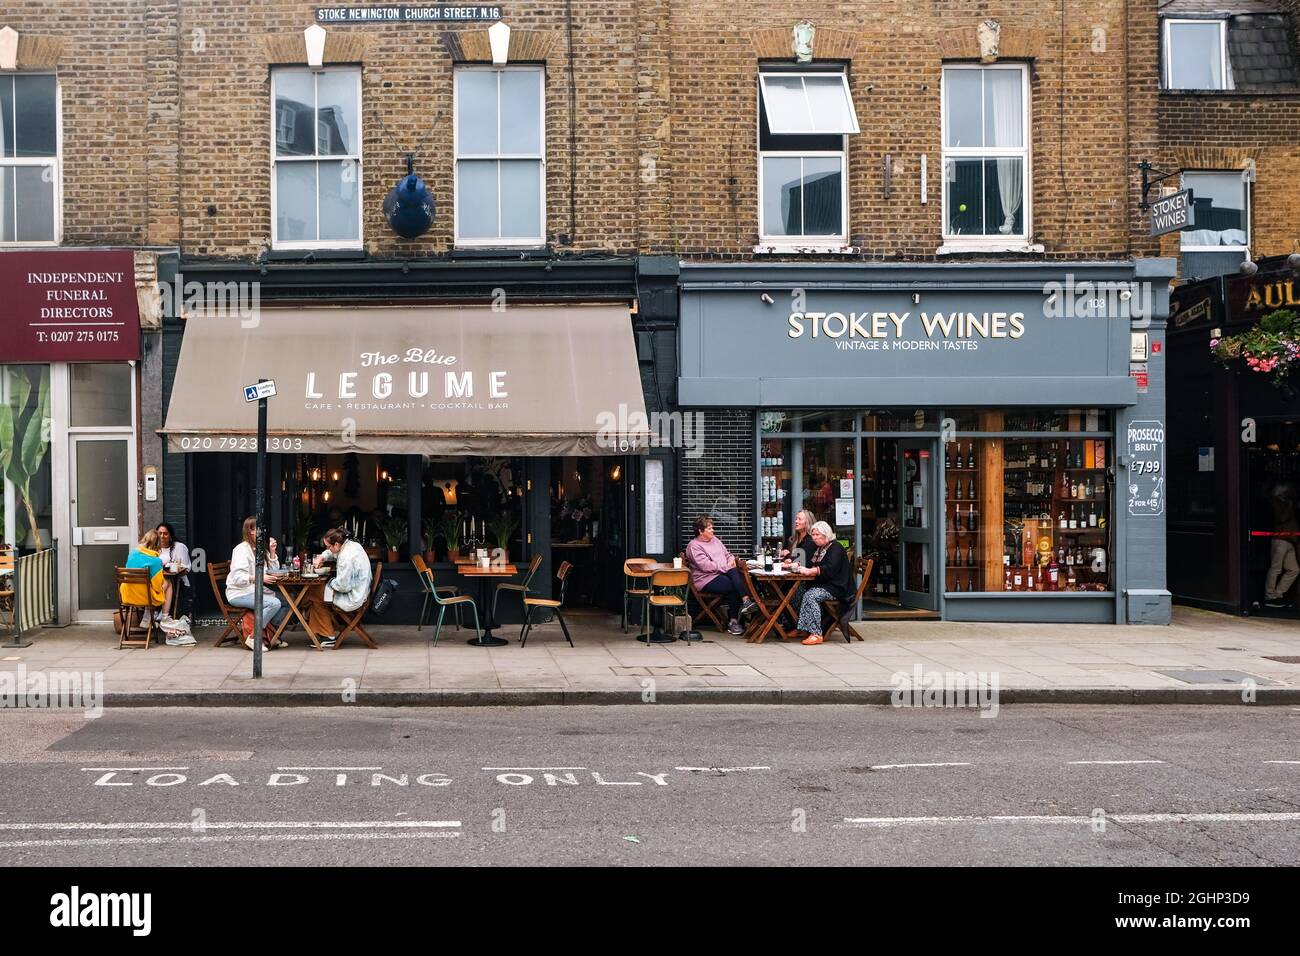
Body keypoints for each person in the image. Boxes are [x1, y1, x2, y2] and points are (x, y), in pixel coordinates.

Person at [298, 527, 373, 647]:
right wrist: (322, 557)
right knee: (314, 594)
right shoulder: (351, 545)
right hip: (361, 591)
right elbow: (332, 553)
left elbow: (343, 586)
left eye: (328, 546)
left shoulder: (346, 557)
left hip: (353, 596)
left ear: (337, 543)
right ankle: (320, 629)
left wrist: (329, 581)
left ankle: (303, 613)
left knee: (312, 593)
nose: (328, 549)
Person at [225, 516, 290, 650]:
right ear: (250, 531)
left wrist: (272, 552)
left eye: (262, 529)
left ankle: (271, 634)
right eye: (258, 529)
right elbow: (237, 577)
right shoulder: (241, 550)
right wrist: (259, 578)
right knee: (274, 603)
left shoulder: (260, 548)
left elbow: (272, 570)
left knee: (288, 602)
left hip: (254, 590)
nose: (262, 532)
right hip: (239, 593)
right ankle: (254, 637)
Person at [685, 515, 755, 636]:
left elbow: (727, 554)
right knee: (734, 583)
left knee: (734, 575)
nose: (713, 530)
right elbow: (705, 566)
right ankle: (736, 616)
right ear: (701, 531)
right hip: (705, 579)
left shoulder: (715, 540)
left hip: (722, 573)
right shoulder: (694, 546)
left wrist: (731, 559)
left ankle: (742, 607)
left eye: (712, 528)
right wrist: (727, 566)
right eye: (709, 528)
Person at [791, 521, 853, 646]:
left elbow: (830, 569)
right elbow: (811, 563)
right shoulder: (820, 548)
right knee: (797, 591)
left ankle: (816, 633)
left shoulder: (835, 548)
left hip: (837, 587)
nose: (814, 538)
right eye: (813, 535)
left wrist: (811, 571)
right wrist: (796, 565)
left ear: (826, 534)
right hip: (825, 584)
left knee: (811, 595)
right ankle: (804, 628)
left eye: (817, 535)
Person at [120, 530, 176, 642]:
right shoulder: (155, 561)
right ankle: (164, 617)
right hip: (145, 598)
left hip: (127, 596)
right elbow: (157, 586)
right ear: (157, 545)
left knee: (146, 587)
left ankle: (147, 618)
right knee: (168, 583)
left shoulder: (132, 554)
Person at [1264, 482, 1299, 608]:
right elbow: (1282, 518)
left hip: (1290, 540)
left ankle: (1278, 593)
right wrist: (1289, 505)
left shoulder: (1286, 502)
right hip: (1280, 539)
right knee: (1276, 568)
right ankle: (1269, 596)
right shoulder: (1277, 502)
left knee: (1294, 570)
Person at [156, 522, 192, 620]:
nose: (162, 536)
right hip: (157, 582)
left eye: (165, 533)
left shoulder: (179, 547)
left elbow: (186, 569)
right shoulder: (153, 547)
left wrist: (175, 568)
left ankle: (157, 611)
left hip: (177, 582)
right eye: (160, 533)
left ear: (170, 535)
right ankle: (160, 613)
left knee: (167, 580)